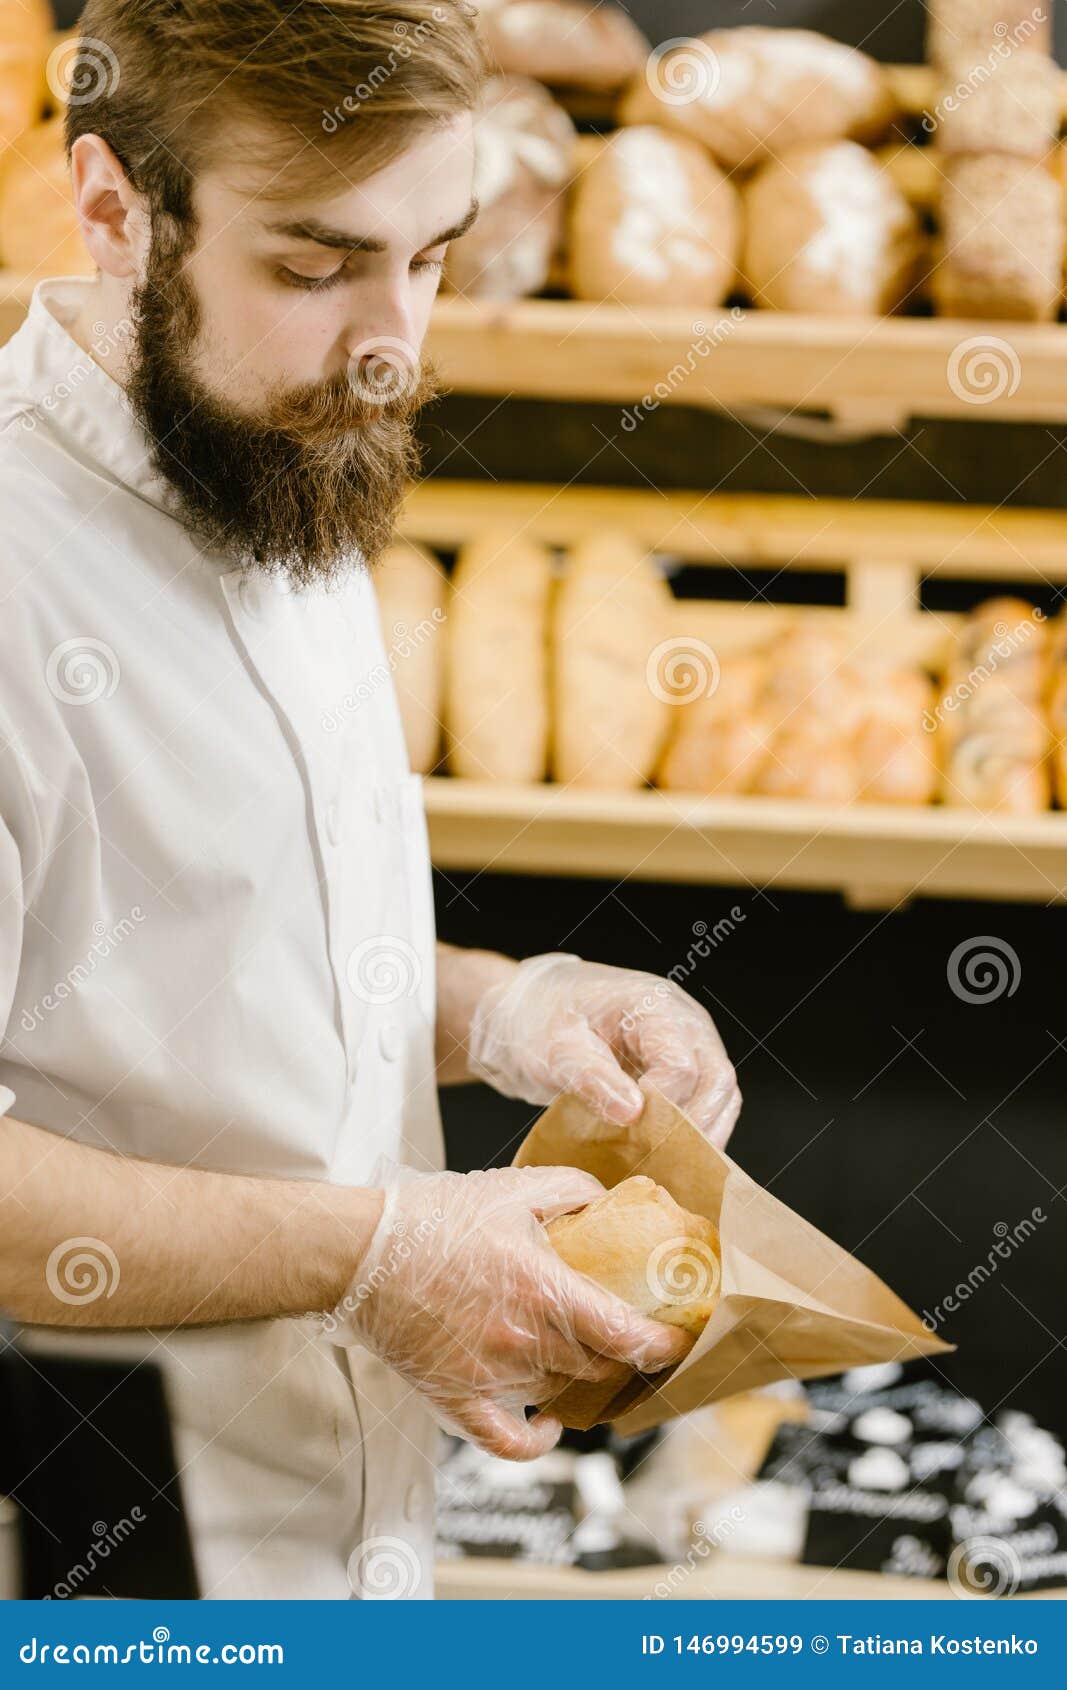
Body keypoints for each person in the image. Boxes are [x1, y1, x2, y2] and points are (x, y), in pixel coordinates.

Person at [0, 0, 740, 1599]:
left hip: (358, 1541)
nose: (396, 341)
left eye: (434, 256)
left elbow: (203, 962)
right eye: (317, 265)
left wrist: (502, 1012)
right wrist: (381, 1255)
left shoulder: (278, 458)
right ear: (116, 207)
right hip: (105, 1554)